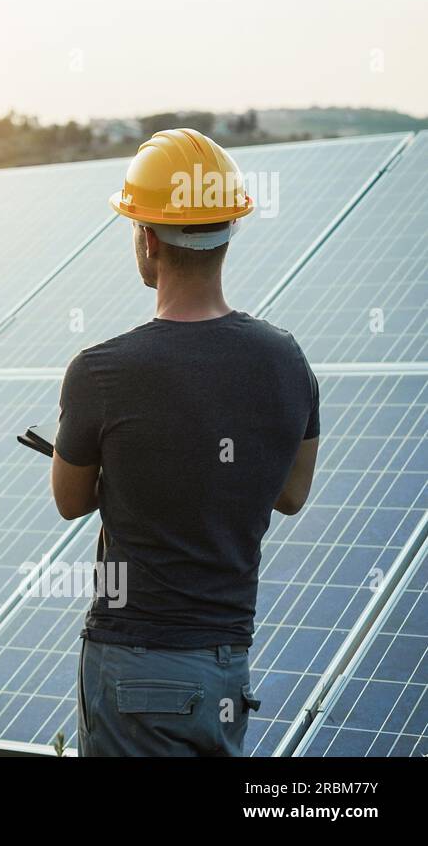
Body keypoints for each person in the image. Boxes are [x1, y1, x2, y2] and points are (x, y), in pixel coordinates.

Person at [51, 129, 321, 756]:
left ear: (147, 239)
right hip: (226, 663)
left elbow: (69, 500)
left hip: (133, 664)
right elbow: (291, 493)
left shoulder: (100, 370)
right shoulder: (286, 361)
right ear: (229, 232)